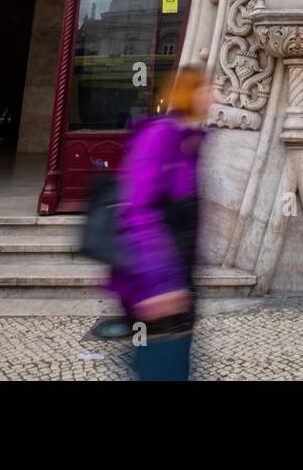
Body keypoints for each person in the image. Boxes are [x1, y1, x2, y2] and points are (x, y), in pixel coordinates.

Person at [107, 65, 212, 380]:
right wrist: (159, 286)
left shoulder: (188, 142)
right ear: (189, 93)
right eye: (207, 88)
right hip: (156, 291)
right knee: (160, 368)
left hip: (178, 287)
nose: (214, 95)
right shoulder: (160, 136)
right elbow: (138, 212)